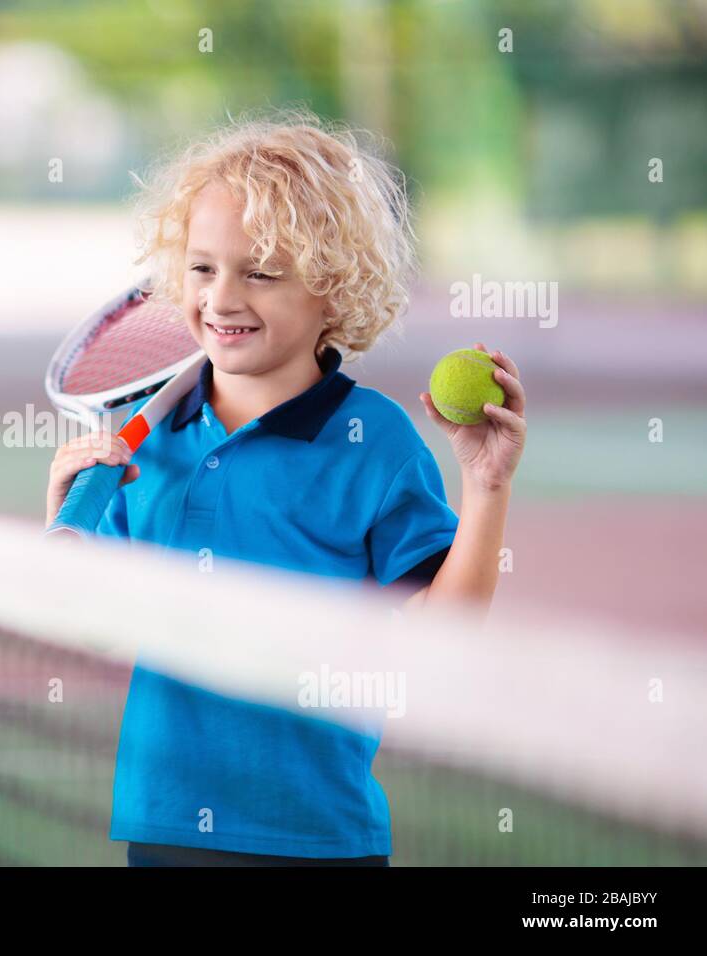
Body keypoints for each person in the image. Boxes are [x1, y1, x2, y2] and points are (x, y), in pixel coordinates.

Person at [45, 110, 527, 867]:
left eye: (261, 272)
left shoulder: (377, 442)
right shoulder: (147, 442)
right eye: (203, 268)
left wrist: (485, 484)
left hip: (317, 835)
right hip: (164, 826)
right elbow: (102, 629)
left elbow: (445, 635)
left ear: (332, 290)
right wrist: (65, 524)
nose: (222, 298)